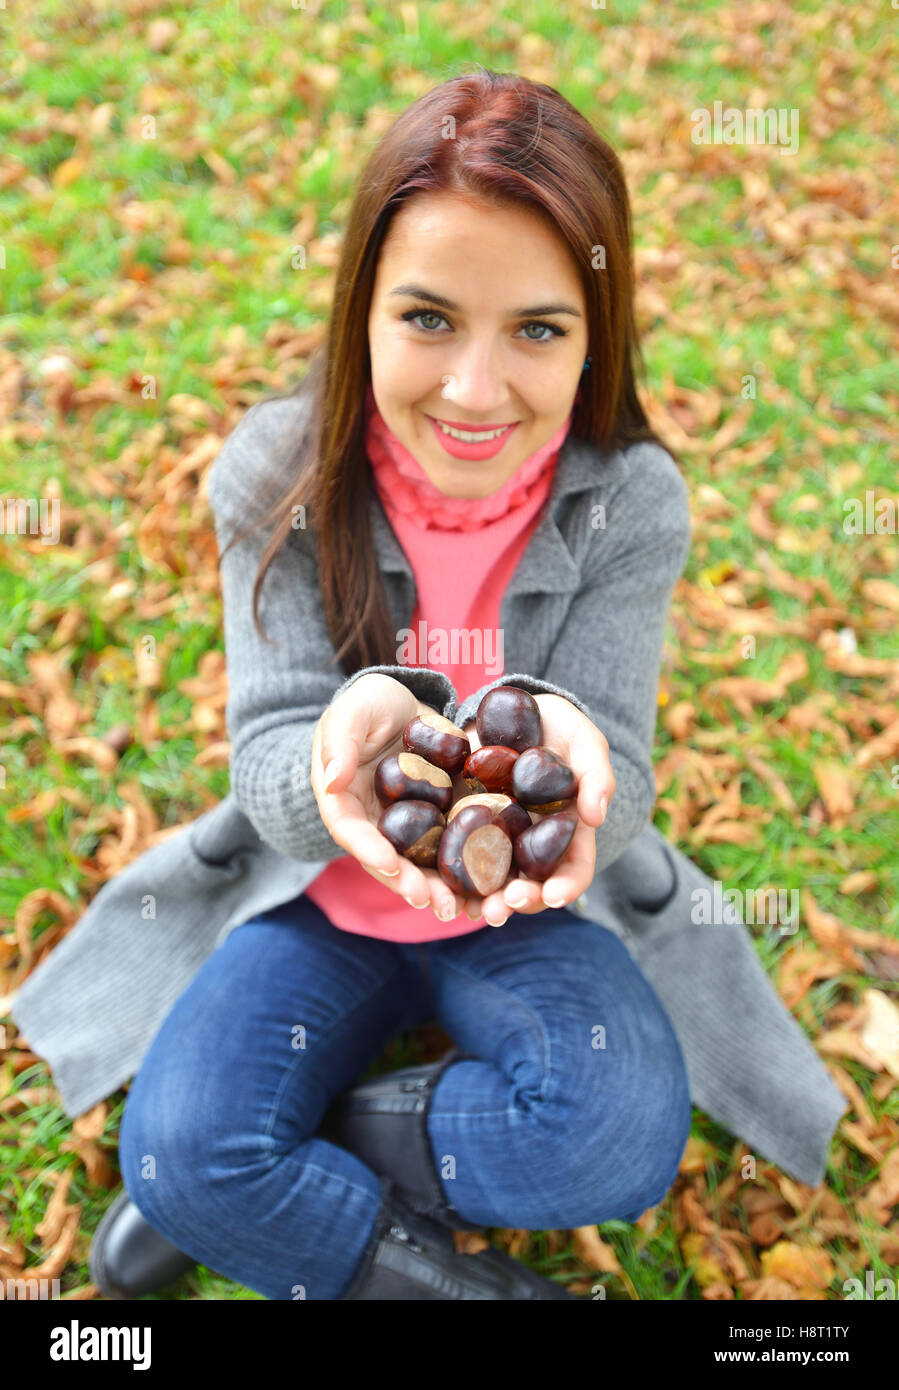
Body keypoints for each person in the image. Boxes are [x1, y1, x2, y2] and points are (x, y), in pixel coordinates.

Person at [34, 67, 701, 1300]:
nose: (472, 389)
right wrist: (337, 751)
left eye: (538, 329)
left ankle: (303, 1142)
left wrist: (589, 790)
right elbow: (269, 753)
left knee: (614, 1132)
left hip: (521, 918)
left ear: (595, 334)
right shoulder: (273, 478)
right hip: (312, 897)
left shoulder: (630, 502)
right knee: (177, 1152)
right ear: (361, 309)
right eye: (429, 318)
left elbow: (619, 766)